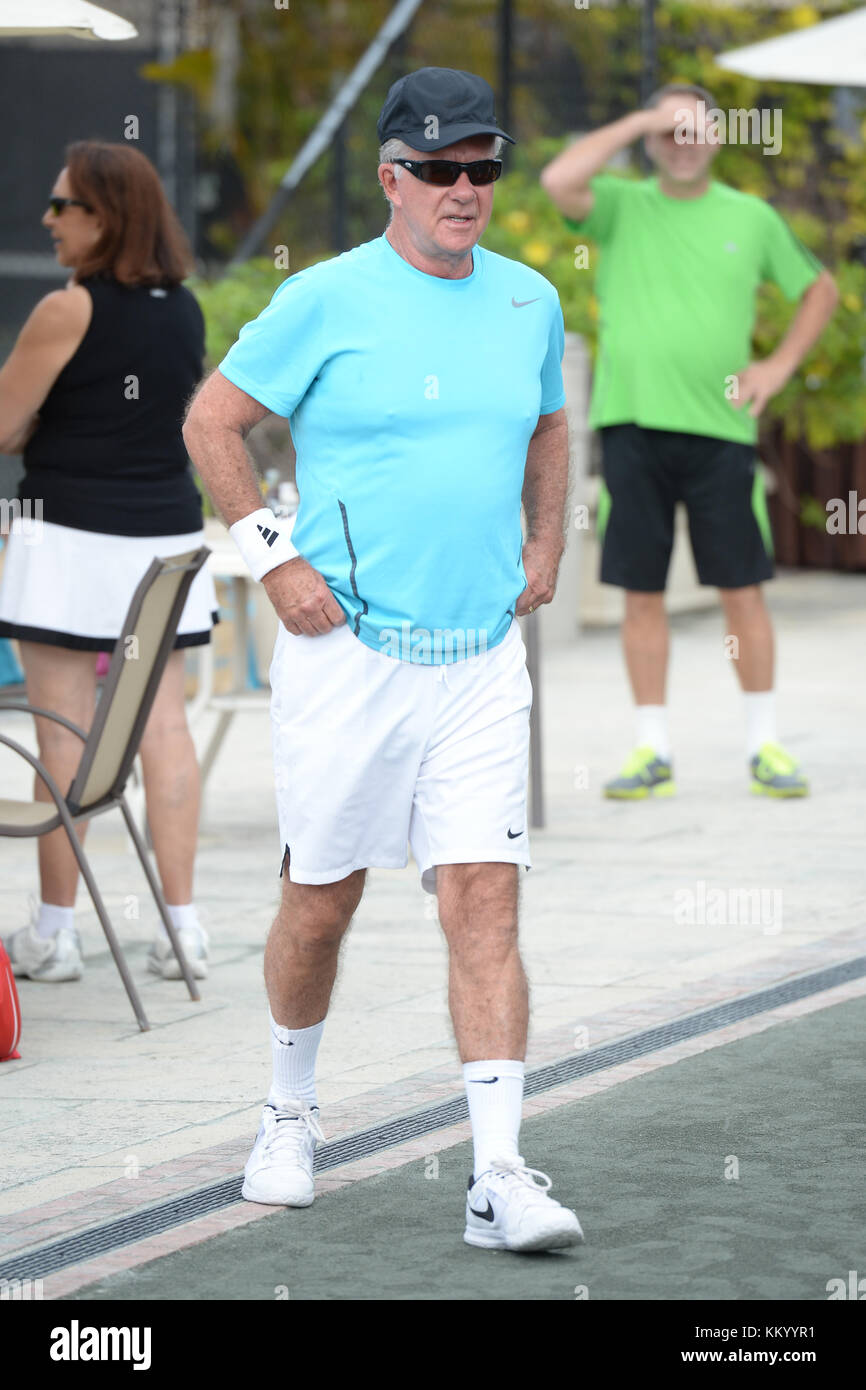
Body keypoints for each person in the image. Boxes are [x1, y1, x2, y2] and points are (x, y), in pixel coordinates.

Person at [184, 67, 583, 1253]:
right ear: (391, 179)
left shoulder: (526, 303)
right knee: (321, 902)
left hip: (479, 659)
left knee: (484, 903)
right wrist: (273, 559)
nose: (466, 190)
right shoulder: (324, 299)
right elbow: (212, 418)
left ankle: (498, 1173)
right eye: (441, 169)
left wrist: (546, 534)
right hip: (346, 654)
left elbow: (549, 422)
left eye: (482, 169)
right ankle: (286, 1113)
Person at [540, 83, 838, 799]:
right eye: (668, 133)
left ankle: (765, 746)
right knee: (639, 592)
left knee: (744, 589)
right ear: (649, 139)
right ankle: (652, 750)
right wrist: (646, 116)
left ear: (718, 135)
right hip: (633, 425)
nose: (682, 143)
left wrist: (779, 364)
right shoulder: (621, 207)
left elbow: (820, 288)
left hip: (721, 431)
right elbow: (559, 179)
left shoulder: (752, 215)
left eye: (694, 130)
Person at [0, 142, 216, 983]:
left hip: (70, 542)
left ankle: (56, 933)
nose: (48, 221)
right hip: (164, 541)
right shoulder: (186, 307)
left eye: (64, 207)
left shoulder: (69, 308)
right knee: (164, 726)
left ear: (105, 217)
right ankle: (185, 929)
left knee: (64, 731)